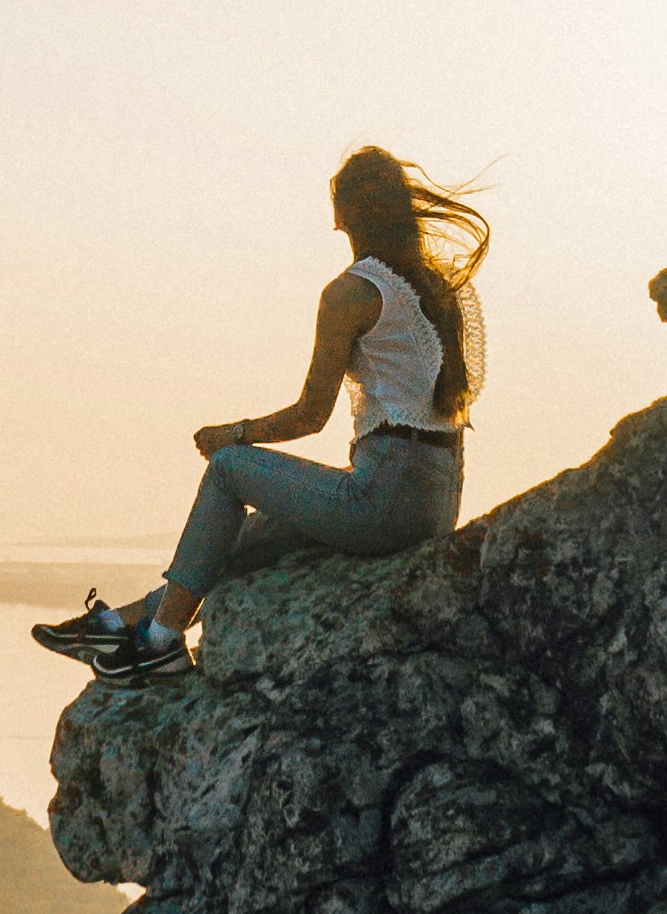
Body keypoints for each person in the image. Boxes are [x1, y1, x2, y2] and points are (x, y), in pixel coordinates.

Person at [34, 149, 488, 679]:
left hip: (383, 499)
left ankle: (160, 644)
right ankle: (121, 624)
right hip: (434, 500)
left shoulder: (351, 293)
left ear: (341, 213)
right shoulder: (437, 286)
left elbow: (310, 415)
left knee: (229, 469)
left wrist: (233, 434)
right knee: (245, 536)